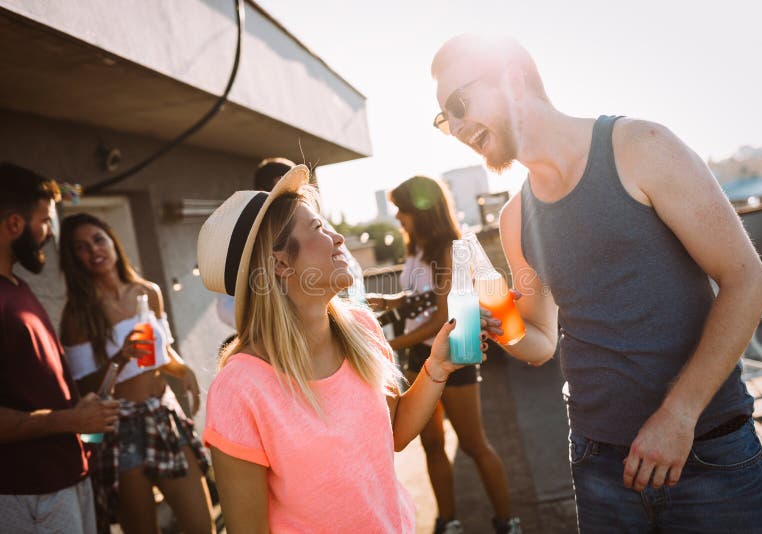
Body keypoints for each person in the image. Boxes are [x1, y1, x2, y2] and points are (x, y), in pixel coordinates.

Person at [430, 34, 762, 532]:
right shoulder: (516, 218)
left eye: (459, 104)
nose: (456, 126)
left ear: (513, 78)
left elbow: (747, 282)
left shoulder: (641, 146)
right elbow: (540, 341)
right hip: (600, 467)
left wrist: (678, 415)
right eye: (445, 118)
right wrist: (500, 327)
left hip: (706, 452)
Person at [197, 165, 490, 532]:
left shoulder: (362, 327)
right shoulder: (239, 390)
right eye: (318, 228)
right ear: (281, 263)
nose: (338, 238)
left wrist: (438, 366)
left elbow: (395, 432)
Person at [368, 175, 520, 534]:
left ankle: (507, 522)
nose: (398, 218)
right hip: (418, 360)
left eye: (402, 210)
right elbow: (420, 298)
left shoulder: (450, 250)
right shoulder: (416, 249)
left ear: (423, 211)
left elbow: (441, 318)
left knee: (473, 445)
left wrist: (389, 346)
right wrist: (392, 302)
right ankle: (448, 522)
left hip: (452, 357)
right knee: (433, 446)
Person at [59, 212, 215, 534]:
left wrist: (182, 368)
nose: (93, 250)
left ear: (112, 242)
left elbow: (161, 353)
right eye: (81, 248)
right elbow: (84, 389)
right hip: (120, 427)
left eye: (98, 240)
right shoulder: (77, 315)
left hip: (162, 413)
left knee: (201, 525)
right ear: (74, 259)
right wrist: (120, 357)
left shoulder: (148, 293)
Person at [0, 163, 119, 533]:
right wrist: (71, 419)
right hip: (27, 494)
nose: (49, 233)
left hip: (63, 481)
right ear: (15, 225)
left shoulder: (17, 287)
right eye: (45, 221)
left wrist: (78, 409)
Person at [217, 157, 365, 329]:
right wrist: (279, 327)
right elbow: (228, 305)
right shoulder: (247, 246)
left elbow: (352, 273)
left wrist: (351, 314)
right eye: (280, 189)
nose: (292, 198)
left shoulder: (319, 225)